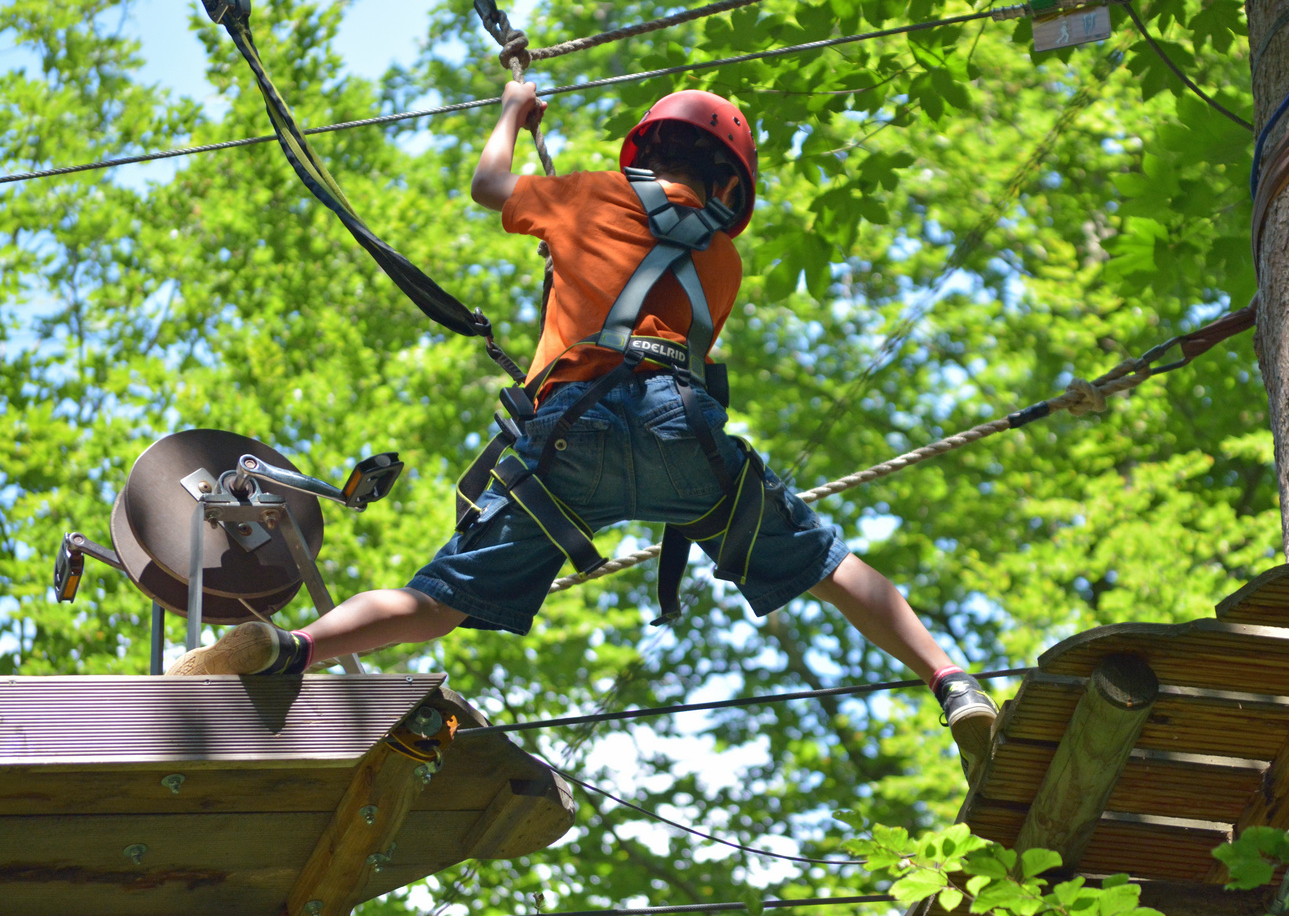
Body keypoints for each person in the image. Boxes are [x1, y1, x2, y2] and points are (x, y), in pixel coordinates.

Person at [167, 82, 999, 780]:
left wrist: (513, 110)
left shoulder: (590, 193)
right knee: (826, 563)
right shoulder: (724, 262)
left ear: (648, 148)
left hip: (573, 435)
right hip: (684, 439)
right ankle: (950, 679)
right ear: (730, 184)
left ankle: (292, 649)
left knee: (436, 601)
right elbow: (664, 326)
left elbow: (491, 184)